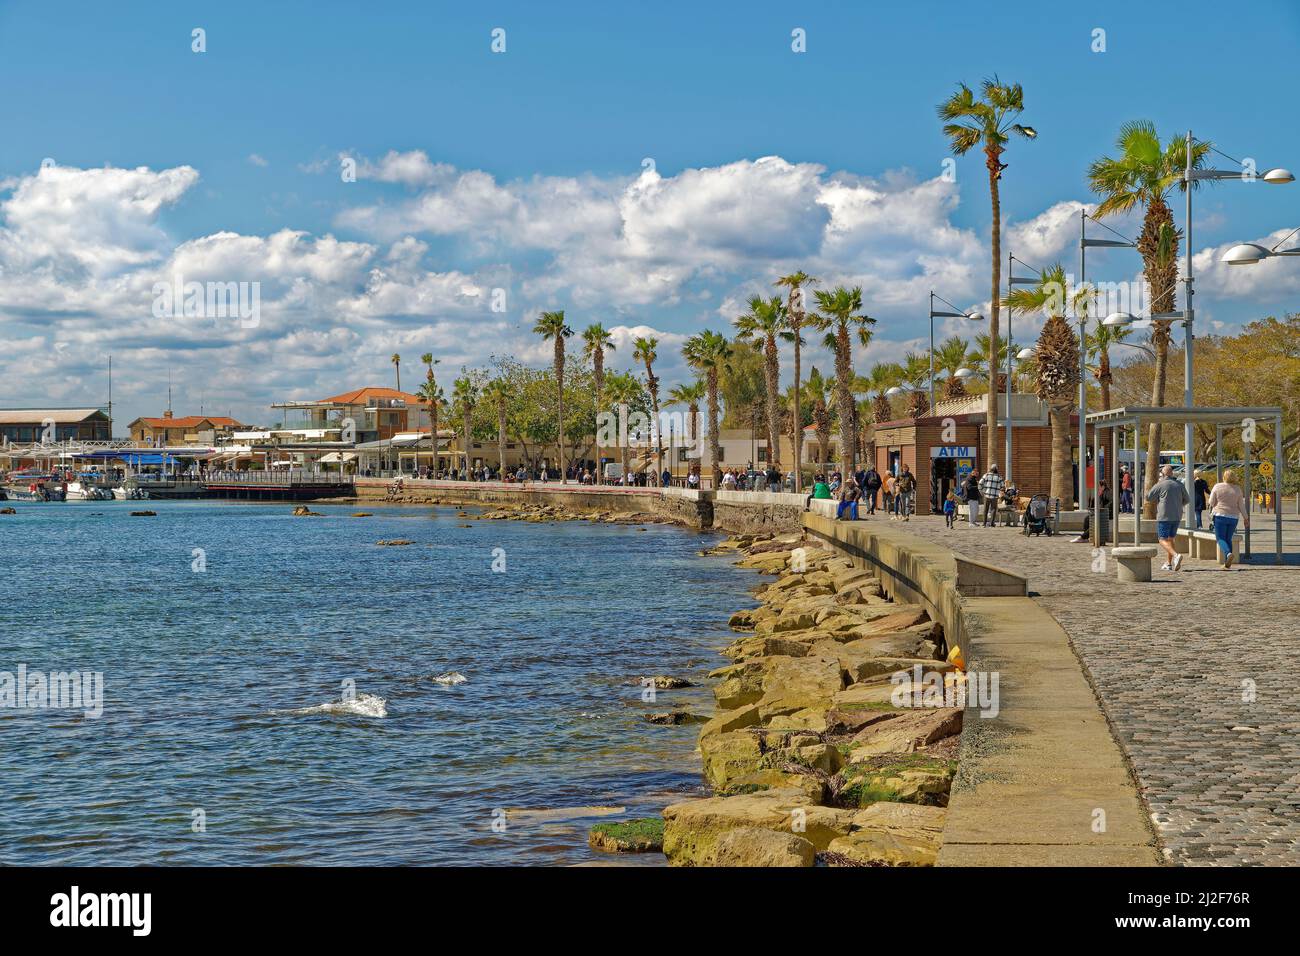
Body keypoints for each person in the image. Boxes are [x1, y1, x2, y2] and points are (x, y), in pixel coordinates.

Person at [1146, 464, 1190, 571]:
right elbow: (1187, 499)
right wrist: (1178, 504)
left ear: (1163, 474)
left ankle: (1175, 556)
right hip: (1177, 515)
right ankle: (1169, 564)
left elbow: (1149, 497)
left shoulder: (1161, 484)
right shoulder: (1179, 484)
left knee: (1162, 539)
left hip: (1164, 516)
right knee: (1171, 539)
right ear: (1172, 473)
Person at [1208, 469, 1249, 569]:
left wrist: (1214, 504)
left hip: (1220, 515)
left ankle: (1228, 554)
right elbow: (1241, 506)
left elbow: (1211, 502)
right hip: (1234, 517)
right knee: (1228, 538)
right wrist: (1246, 518)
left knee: (1220, 538)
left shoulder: (1217, 486)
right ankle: (1227, 563)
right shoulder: (1238, 489)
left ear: (1224, 477)